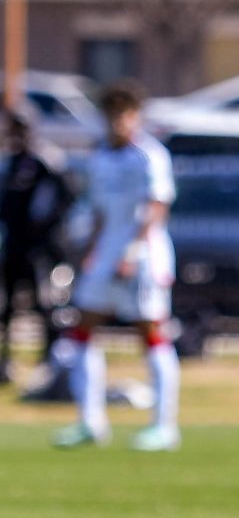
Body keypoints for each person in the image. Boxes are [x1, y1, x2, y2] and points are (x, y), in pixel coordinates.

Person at [52, 83, 181, 451]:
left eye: (125, 114)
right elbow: (98, 209)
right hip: (106, 254)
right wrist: (92, 250)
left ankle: (164, 426)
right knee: (81, 330)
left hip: (143, 255)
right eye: (112, 114)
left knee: (151, 332)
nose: (118, 122)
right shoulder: (101, 156)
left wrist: (136, 249)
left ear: (136, 117)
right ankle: (90, 421)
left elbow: (157, 205)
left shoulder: (149, 155)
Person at [0, 110, 72, 385]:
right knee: (7, 306)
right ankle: (6, 361)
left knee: (44, 303)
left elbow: (65, 196)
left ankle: (49, 361)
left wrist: (45, 227)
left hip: (40, 248)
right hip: (15, 243)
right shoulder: (11, 162)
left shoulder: (45, 159)